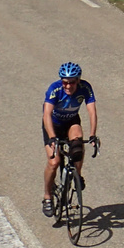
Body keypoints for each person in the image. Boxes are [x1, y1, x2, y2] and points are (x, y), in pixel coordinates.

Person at [42, 61, 99, 217]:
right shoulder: (55, 89)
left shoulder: (85, 88)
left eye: (72, 82)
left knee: (78, 144)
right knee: (54, 162)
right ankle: (47, 196)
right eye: (65, 82)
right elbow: (46, 114)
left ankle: (77, 175)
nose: (68, 86)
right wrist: (52, 137)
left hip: (71, 122)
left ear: (78, 80)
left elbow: (92, 111)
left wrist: (93, 134)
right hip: (52, 125)